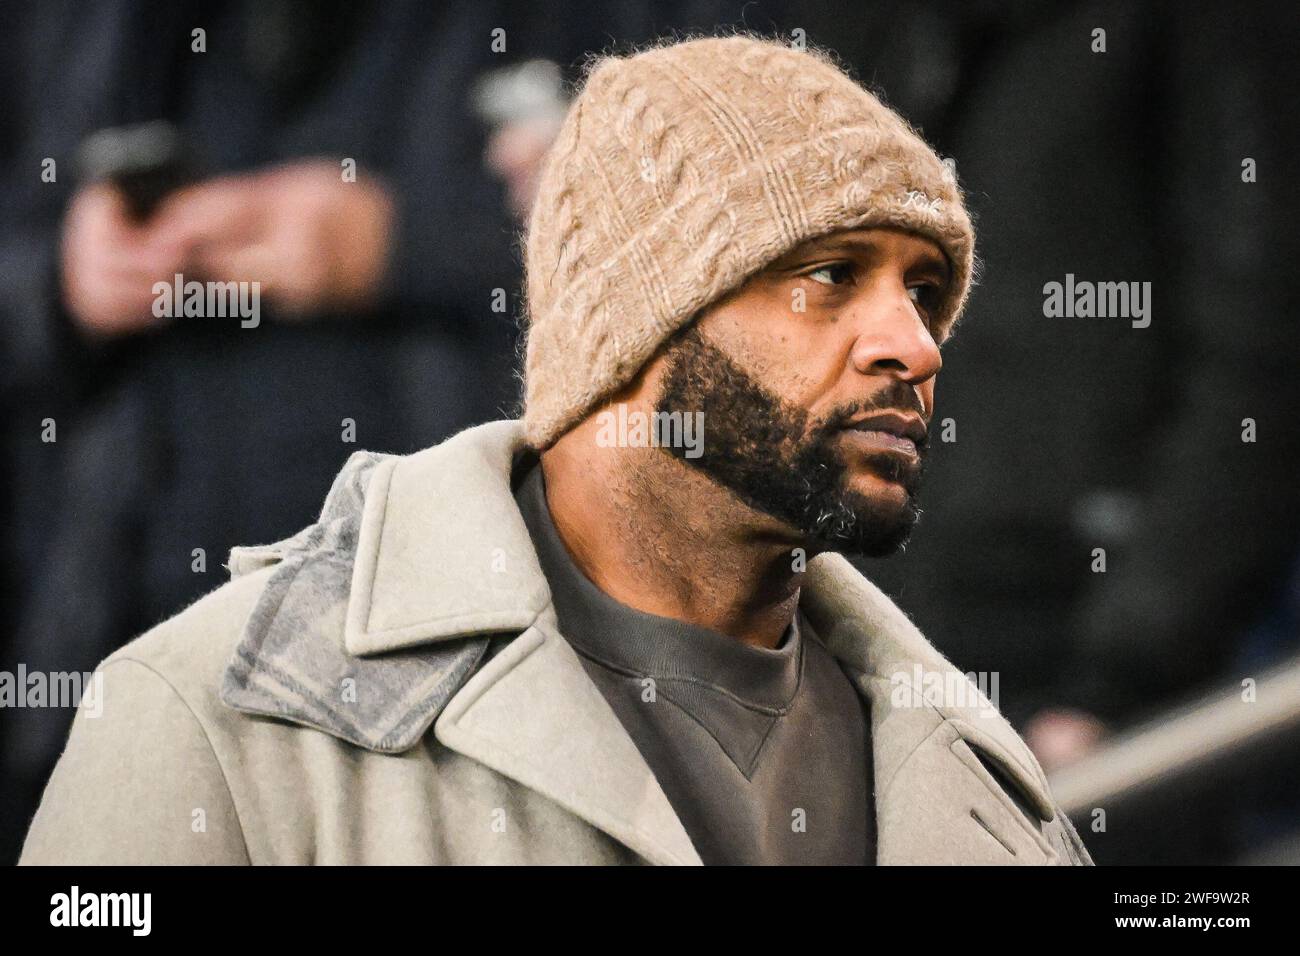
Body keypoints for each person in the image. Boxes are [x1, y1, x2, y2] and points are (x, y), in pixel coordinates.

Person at [20, 35, 1091, 866]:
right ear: (636, 323)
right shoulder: (219, 719)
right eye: (830, 276)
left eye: (925, 289)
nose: (913, 343)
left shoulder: (975, 772)